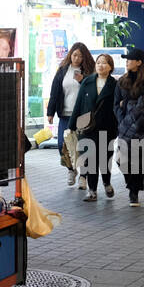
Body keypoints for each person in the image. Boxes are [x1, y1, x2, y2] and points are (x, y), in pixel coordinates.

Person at [113, 47, 144, 206]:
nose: (126, 61)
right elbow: (116, 104)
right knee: (121, 160)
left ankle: (133, 193)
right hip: (125, 127)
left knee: (139, 161)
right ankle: (131, 185)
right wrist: (122, 118)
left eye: (130, 59)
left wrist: (127, 104)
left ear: (139, 62)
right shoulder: (122, 80)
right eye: (126, 59)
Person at [70, 53, 118, 201]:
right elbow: (78, 104)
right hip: (87, 128)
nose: (100, 65)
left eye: (104, 63)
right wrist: (72, 125)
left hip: (106, 128)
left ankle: (107, 182)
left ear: (110, 67)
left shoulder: (114, 85)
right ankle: (92, 191)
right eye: (98, 63)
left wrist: (117, 129)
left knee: (104, 159)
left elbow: (117, 108)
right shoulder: (87, 82)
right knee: (90, 159)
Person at [46, 41, 94, 187]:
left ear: (84, 57)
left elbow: (93, 91)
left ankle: (84, 176)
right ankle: (71, 169)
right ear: (70, 55)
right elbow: (55, 91)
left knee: (82, 145)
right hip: (65, 114)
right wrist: (50, 112)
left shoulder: (89, 72)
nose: (77, 58)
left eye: (80, 56)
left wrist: (83, 80)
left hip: (82, 115)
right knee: (63, 145)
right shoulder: (62, 70)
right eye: (74, 55)